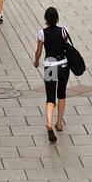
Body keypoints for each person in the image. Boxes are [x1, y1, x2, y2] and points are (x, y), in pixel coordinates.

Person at [32, 7, 71, 143]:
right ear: (57, 18)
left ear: (46, 19)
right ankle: (59, 123)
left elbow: (39, 51)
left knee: (50, 97)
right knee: (61, 93)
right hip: (63, 65)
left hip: (50, 65)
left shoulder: (42, 33)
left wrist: (36, 61)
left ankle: (49, 124)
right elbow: (66, 46)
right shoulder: (64, 31)